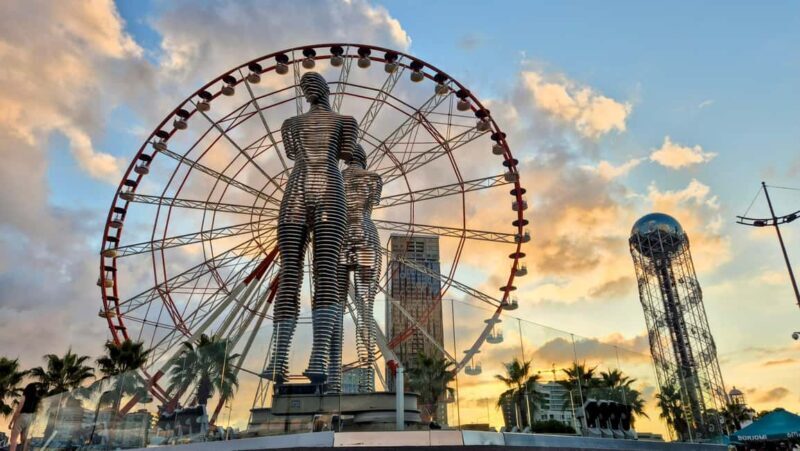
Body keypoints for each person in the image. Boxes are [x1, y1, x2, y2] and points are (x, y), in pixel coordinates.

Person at [264, 71, 357, 384]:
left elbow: (294, 154)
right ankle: (307, 358)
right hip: (330, 188)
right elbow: (345, 153)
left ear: (317, 90)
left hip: (298, 188)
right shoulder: (346, 121)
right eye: (304, 88)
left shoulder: (291, 125)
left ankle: (284, 359)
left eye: (308, 88)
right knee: (323, 271)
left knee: (294, 270)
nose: (306, 93)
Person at [8, 383, 42, 451]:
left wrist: (11, 422)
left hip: (22, 416)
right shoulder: (36, 399)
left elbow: (18, 410)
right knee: (24, 439)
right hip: (30, 418)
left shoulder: (24, 396)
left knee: (13, 439)